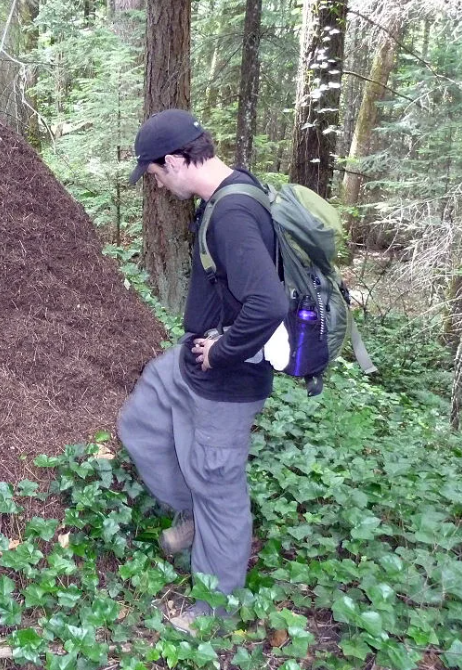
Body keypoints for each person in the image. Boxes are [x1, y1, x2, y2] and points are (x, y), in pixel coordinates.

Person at [118, 109, 288, 633]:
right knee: (142, 418)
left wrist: (223, 352)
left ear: (174, 160)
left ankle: (213, 612)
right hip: (191, 365)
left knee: (220, 488)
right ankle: (194, 512)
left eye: (154, 174)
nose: (156, 183)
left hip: (226, 382)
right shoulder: (227, 195)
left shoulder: (233, 214)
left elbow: (270, 302)